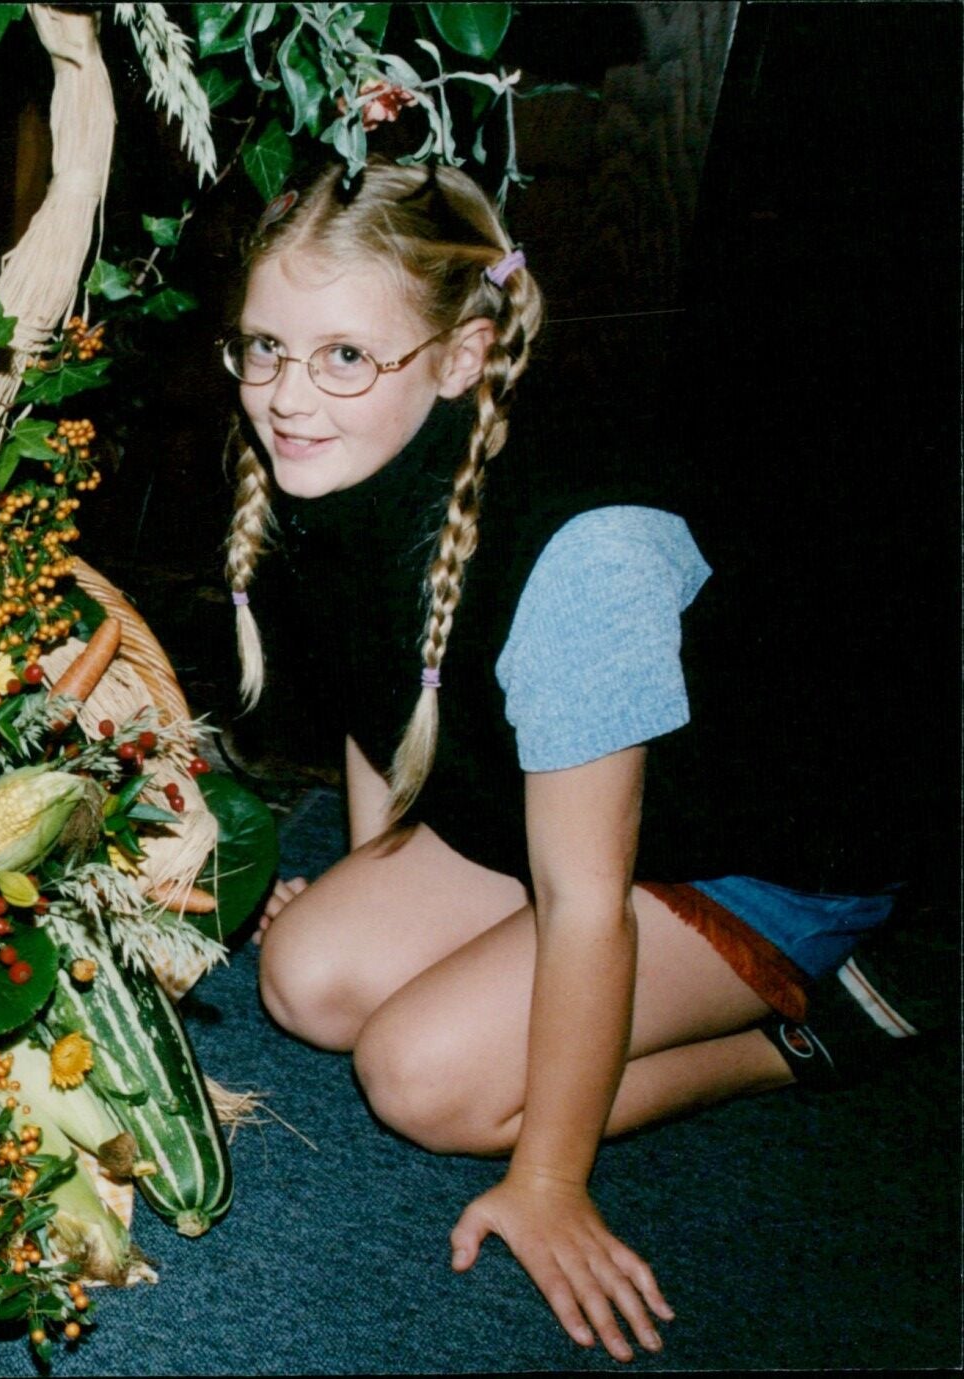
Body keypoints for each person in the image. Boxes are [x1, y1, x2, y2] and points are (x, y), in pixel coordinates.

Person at [223, 160, 917, 1363]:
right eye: (263, 348)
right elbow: (375, 697)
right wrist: (369, 870)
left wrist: (548, 1174)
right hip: (548, 808)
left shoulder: (583, 558)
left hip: (745, 859)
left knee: (420, 1081)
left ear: (460, 355)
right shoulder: (330, 463)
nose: (288, 395)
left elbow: (588, 898)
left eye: (344, 356)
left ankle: (802, 1036)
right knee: (309, 973)